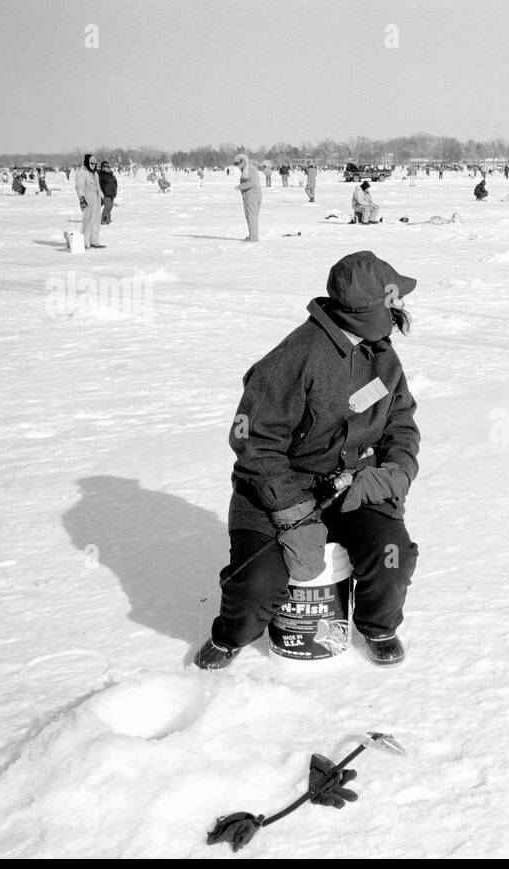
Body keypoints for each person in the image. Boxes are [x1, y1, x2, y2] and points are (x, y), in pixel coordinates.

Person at [195, 250, 421, 670]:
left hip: (351, 489)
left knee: (391, 554)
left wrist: (396, 472)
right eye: (394, 303)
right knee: (258, 583)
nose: (400, 310)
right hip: (275, 493)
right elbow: (254, 444)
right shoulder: (293, 359)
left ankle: (378, 626)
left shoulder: (383, 356)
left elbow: (401, 421)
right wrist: (292, 512)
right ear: (366, 310)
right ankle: (230, 635)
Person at [74, 154, 105, 248]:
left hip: (96, 199)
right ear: (87, 162)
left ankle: (94, 241)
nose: (93, 165)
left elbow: (98, 187)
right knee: (87, 220)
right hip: (88, 198)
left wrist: (102, 196)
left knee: (96, 220)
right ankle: (83, 242)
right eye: (91, 163)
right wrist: (81, 198)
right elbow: (79, 186)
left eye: (95, 164)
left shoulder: (95, 173)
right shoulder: (82, 172)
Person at [234, 153, 261, 241]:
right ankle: (252, 235)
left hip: (252, 197)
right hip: (249, 197)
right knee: (250, 217)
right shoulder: (246, 168)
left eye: (237, 164)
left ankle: (253, 237)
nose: (237, 166)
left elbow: (251, 182)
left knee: (252, 217)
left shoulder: (250, 169)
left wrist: (240, 186)